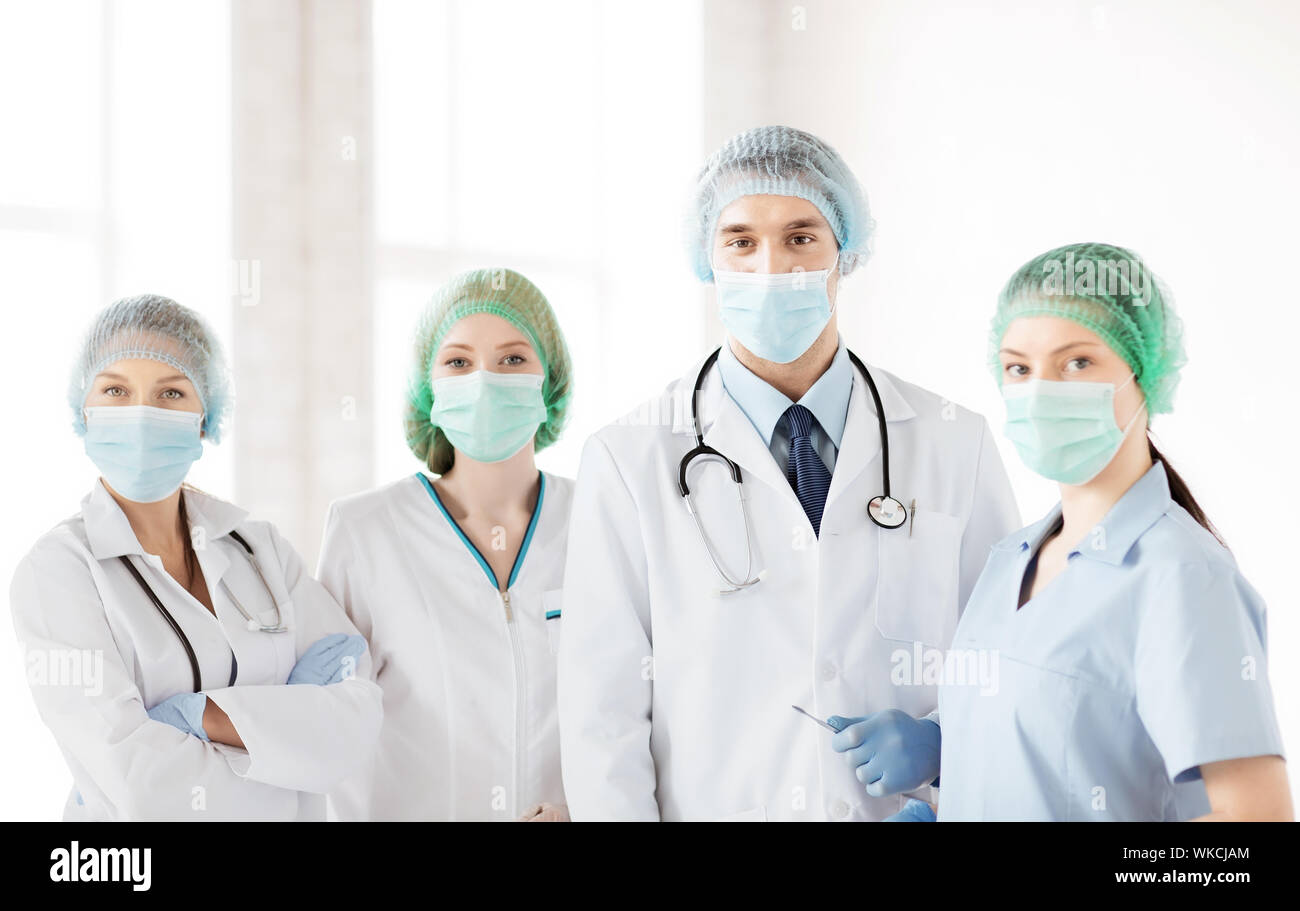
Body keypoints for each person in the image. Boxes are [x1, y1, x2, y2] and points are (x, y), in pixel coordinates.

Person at [556, 125, 1021, 821]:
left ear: (846, 252)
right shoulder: (629, 457)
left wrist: (949, 749)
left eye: (801, 237)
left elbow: (1009, 665)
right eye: (741, 241)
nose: (770, 266)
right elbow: (602, 717)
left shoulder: (955, 444)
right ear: (707, 260)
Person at [926, 242, 1291, 821]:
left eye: (1077, 362)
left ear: (1146, 372)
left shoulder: (1182, 578)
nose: (1040, 390)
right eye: (1019, 367)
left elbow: (1253, 827)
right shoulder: (1009, 560)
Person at [9, 294, 382, 821]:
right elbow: (139, 787)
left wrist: (196, 717)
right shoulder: (57, 572)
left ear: (205, 415)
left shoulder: (257, 546)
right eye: (116, 390)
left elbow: (357, 718)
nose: (141, 414)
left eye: (170, 392)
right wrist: (287, 748)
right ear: (84, 411)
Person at [318, 268, 575, 821]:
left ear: (550, 379)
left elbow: (645, 714)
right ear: (427, 386)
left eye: (512, 359)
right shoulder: (365, 532)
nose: (484, 380)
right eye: (458, 362)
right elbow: (331, 738)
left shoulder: (602, 521)